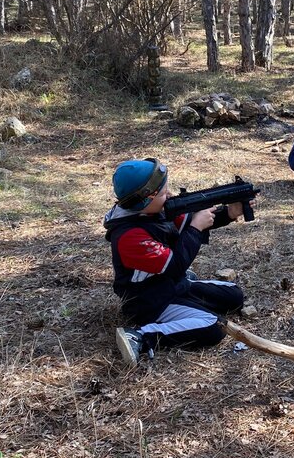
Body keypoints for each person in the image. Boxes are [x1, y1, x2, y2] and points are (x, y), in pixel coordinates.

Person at [104, 157, 248, 368]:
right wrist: (195, 229)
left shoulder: (157, 212)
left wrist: (229, 213)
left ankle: (189, 304)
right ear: (144, 199)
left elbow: (194, 220)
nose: (169, 195)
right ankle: (141, 336)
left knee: (234, 296)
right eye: (163, 193)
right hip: (150, 302)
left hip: (173, 285)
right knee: (215, 327)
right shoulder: (129, 236)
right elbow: (176, 263)